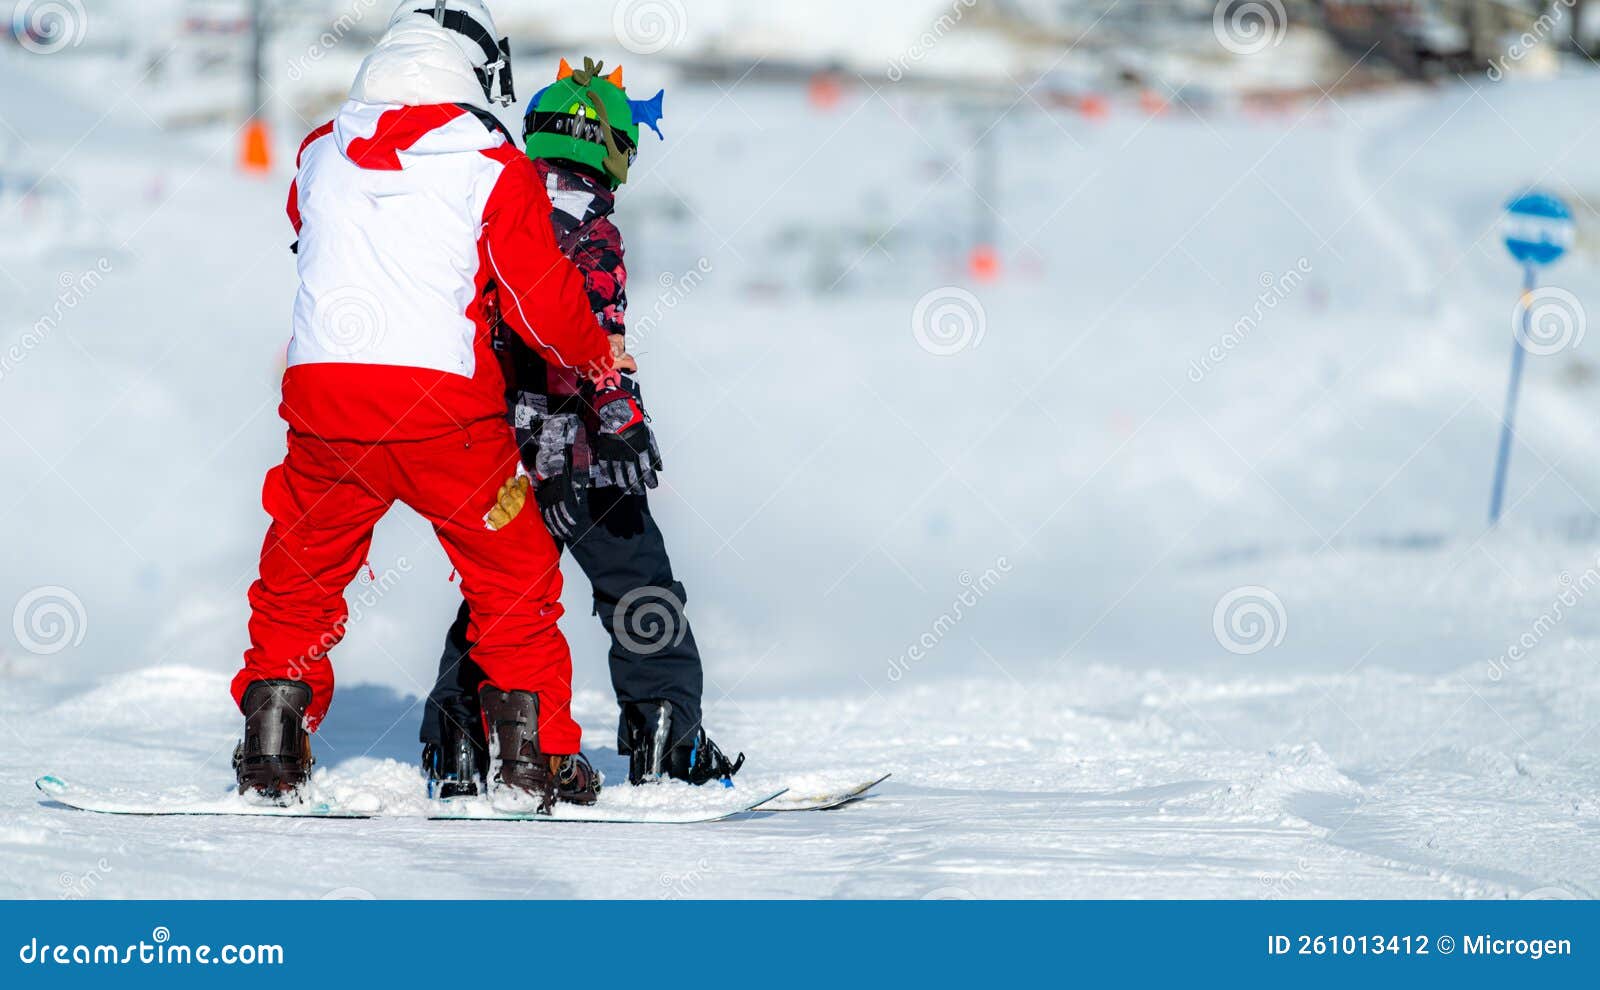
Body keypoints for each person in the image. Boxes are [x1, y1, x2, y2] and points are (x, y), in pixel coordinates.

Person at [231, 2, 612, 814]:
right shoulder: (491, 162)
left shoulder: (318, 151)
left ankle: (273, 740)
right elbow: (540, 302)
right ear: (478, 72)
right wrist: (591, 358)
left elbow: (310, 235)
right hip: (447, 415)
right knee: (513, 572)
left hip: (327, 403)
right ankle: (533, 759)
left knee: (301, 572)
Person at [419, 57, 743, 797]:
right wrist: (599, 437)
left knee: (499, 596)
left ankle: (460, 740)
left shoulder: (490, 210)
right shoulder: (590, 230)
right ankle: (667, 735)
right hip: (584, 455)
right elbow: (579, 343)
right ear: (609, 148)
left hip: (492, 447)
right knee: (639, 590)